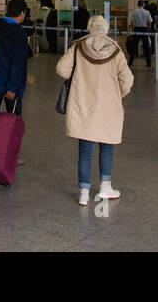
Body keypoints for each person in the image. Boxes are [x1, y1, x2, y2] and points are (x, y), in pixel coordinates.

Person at [56, 14, 134, 205]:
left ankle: (84, 191)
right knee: (107, 145)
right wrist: (116, 95)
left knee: (85, 149)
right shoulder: (115, 50)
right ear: (106, 29)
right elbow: (128, 81)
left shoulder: (78, 47)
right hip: (108, 107)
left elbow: (61, 69)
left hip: (84, 104)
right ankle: (105, 186)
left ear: (90, 29)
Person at [0, 0, 32, 116]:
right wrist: (12, 87)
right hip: (10, 85)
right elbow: (18, 63)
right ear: (21, 13)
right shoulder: (18, 33)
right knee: (13, 120)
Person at [126, 0, 154, 66]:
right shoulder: (147, 12)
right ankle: (149, 63)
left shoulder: (134, 12)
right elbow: (150, 22)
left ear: (137, 4)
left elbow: (132, 22)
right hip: (144, 30)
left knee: (134, 47)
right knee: (147, 47)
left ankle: (130, 62)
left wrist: (134, 30)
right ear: (143, 4)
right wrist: (148, 30)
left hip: (137, 29)